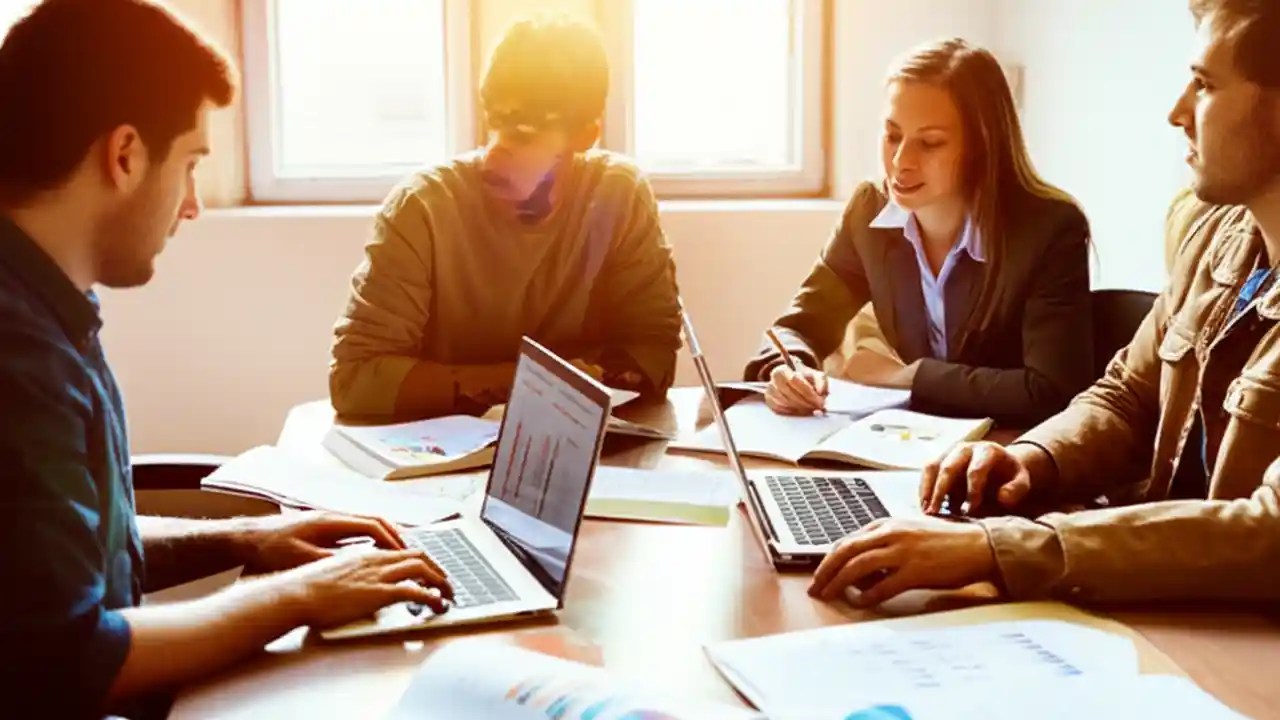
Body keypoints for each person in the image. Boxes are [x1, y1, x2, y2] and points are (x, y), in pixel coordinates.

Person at [0, 2, 452, 717]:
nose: (192, 206)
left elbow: (62, 551)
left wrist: (253, 538)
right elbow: (69, 659)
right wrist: (297, 595)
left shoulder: (42, 311)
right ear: (124, 155)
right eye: (191, 165)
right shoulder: (19, 359)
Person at [809, 0, 1280, 608]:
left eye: (1206, 85)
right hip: (1159, 593)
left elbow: (1270, 533)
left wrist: (997, 548)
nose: (1177, 112)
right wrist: (1029, 460)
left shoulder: (1048, 225)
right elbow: (1126, 398)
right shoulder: (1216, 236)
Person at [329, 14, 682, 421]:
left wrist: (579, 382)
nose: (497, 151)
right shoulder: (423, 207)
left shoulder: (618, 196)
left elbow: (653, 353)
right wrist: (526, 383)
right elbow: (354, 380)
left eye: (526, 134)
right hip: (435, 467)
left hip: (583, 459)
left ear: (584, 136)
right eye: (494, 123)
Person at [746, 38, 1092, 428]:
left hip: (1007, 457)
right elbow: (797, 327)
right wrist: (788, 369)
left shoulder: (1049, 230)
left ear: (983, 147)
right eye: (893, 135)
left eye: (929, 143)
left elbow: (1053, 392)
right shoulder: (869, 213)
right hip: (913, 449)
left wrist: (911, 377)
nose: (900, 162)